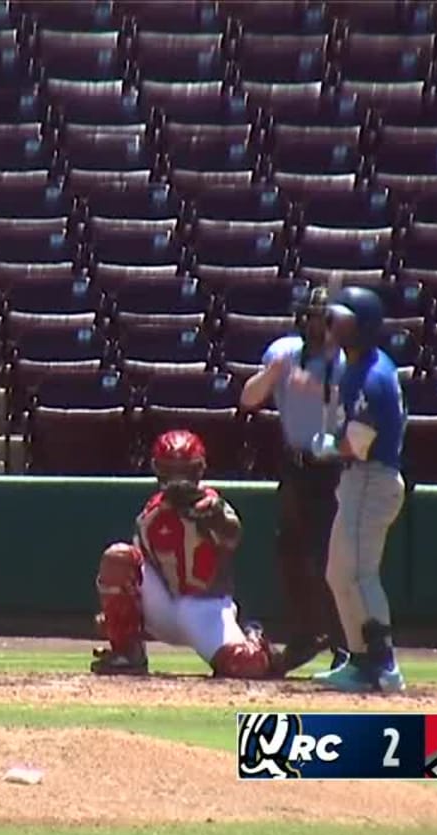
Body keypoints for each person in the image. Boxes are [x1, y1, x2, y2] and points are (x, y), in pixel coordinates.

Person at [89, 429, 288, 679]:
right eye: (171, 471)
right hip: (163, 605)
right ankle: (127, 653)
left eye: (184, 471)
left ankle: (255, 638)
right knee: (118, 557)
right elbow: (139, 568)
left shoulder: (212, 506)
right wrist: (119, 614)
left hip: (204, 607)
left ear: (199, 470)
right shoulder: (151, 513)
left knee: (245, 665)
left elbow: (232, 536)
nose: (178, 480)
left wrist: (213, 520)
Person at [238, 286, 348, 674]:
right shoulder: (284, 352)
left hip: (336, 469)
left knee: (329, 559)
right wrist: (275, 371)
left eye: (321, 317)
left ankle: (345, 645)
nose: (313, 324)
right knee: (291, 555)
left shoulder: (347, 359)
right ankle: (305, 634)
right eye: (310, 316)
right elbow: (249, 399)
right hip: (296, 467)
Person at [309, 286, 408, 694]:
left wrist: (329, 446)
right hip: (361, 479)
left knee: (360, 574)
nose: (332, 324)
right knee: (339, 574)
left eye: (342, 319)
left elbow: (357, 445)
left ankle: (384, 665)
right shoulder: (358, 364)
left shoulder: (373, 376)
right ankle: (361, 660)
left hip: (372, 477)